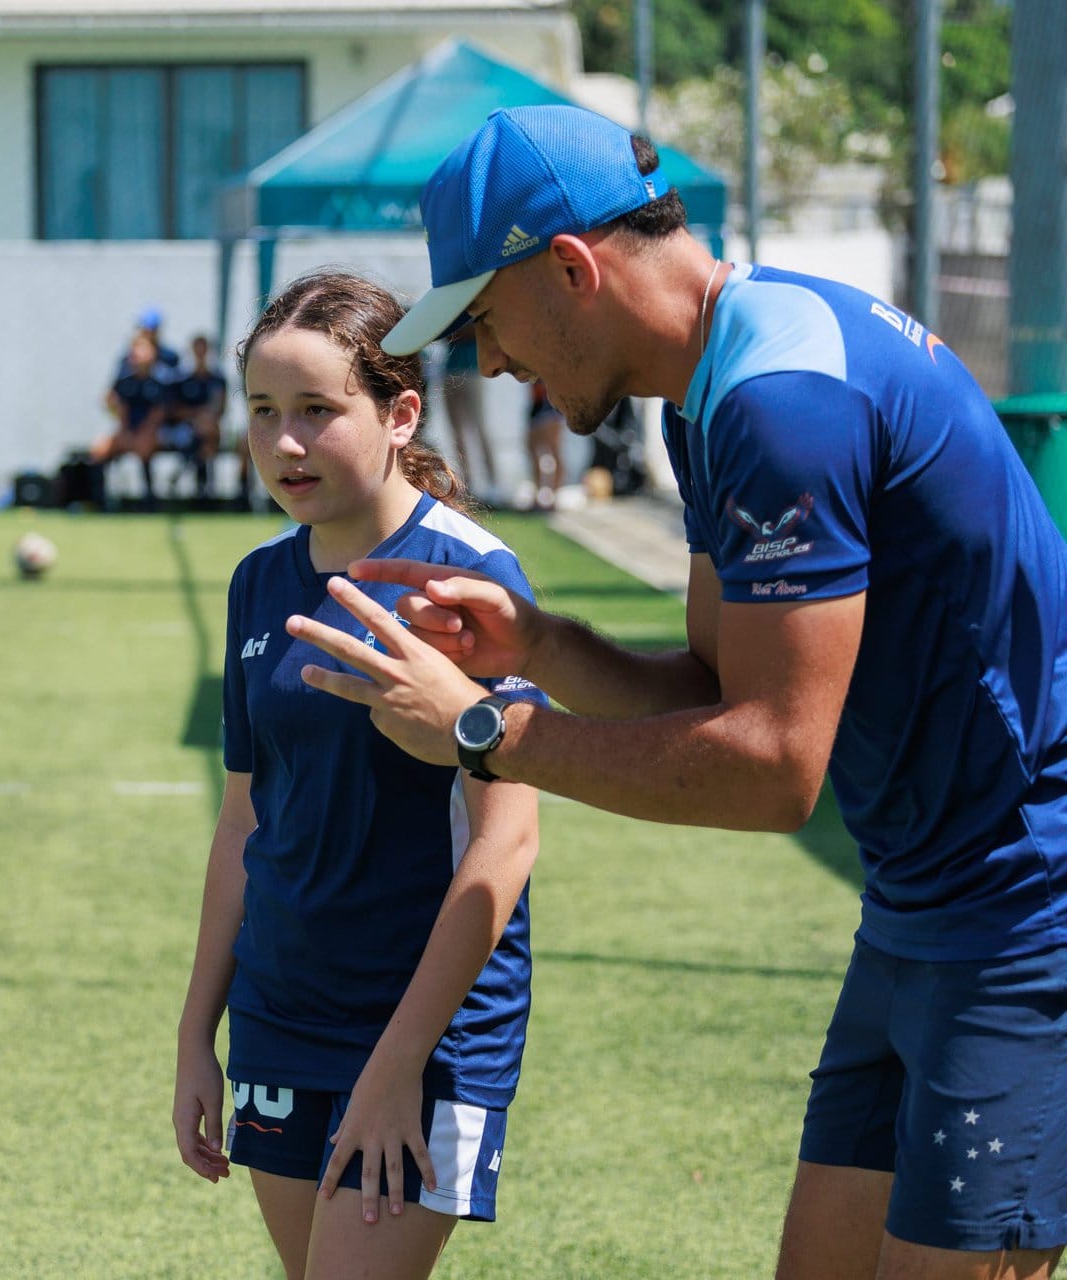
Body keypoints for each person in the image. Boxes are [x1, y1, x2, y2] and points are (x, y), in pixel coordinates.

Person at [293, 104, 1067, 1280]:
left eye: (489, 320)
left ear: (570, 268)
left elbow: (770, 768)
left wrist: (483, 729)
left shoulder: (777, 403)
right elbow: (712, 686)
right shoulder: (715, 385)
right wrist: (537, 645)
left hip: (1027, 910)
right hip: (929, 899)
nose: (493, 362)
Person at [172, 270, 546, 1280]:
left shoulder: (468, 574)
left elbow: (508, 841)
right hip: (283, 1014)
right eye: (262, 413)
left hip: (427, 1027)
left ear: (399, 411)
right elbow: (244, 821)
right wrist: (195, 1034)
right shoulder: (259, 580)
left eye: (317, 412)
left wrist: (396, 1068)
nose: (285, 444)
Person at [93, 331, 173, 505]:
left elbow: (157, 416)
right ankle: (100, 498)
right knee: (99, 449)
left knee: (144, 446)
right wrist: (112, 406)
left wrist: (140, 435)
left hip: (154, 433)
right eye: (135, 350)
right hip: (128, 431)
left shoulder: (160, 380)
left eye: (143, 349)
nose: (138, 354)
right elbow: (118, 409)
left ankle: (148, 498)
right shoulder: (124, 381)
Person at [159, 334, 228, 499]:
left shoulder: (217, 378)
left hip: (209, 428)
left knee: (207, 433)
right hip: (185, 429)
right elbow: (173, 410)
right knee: (202, 437)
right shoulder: (181, 379)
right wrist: (197, 415)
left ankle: (194, 479)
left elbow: (220, 407)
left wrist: (205, 417)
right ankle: (204, 489)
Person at [435, 332, 495, 502]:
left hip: (473, 370)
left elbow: (472, 331)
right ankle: (467, 485)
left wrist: (455, 333)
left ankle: (492, 483)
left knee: (479, 427)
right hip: (451, 370)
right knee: (457, 432)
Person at [524, 380, 565, 511]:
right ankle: (537, 495)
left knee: (554, 450)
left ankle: (554, 498)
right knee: (532, 449)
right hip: (536, 402)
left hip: (549, 403)